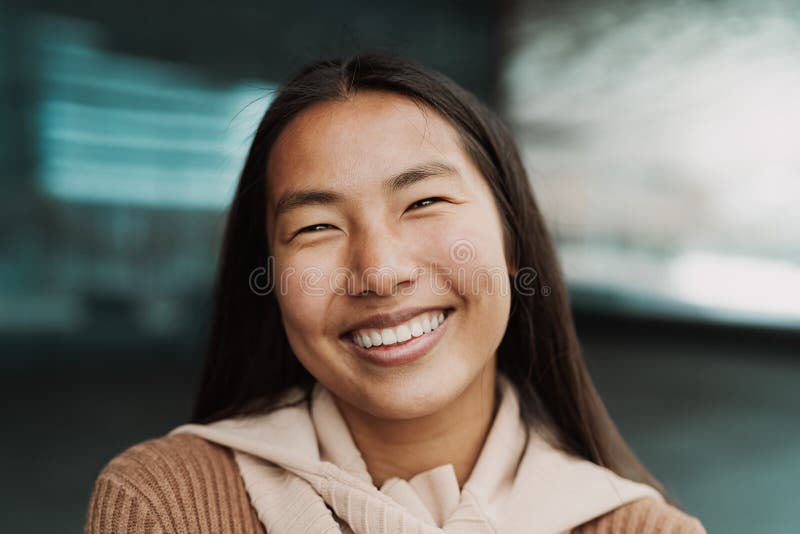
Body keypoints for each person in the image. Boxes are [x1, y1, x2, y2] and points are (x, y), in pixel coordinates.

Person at [85, 53, 706, 533]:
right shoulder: (167, 504)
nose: (379, 273)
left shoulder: (641, 528)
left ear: (511, 240)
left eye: (425, 202)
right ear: (269, 277)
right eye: (316, 227)